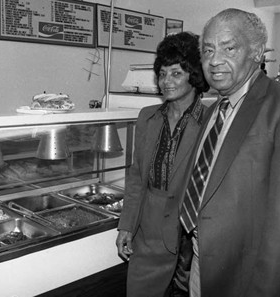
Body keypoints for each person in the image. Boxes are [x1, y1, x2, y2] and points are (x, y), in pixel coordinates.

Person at [167, 8, 280, 297]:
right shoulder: (215, 110)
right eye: (208, 50)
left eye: (229, 48)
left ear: (256, 52)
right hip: (205, 265)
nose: (214, 60)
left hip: (252, 279)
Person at [116, 31, 209, 297]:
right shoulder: (147, 117)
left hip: (188, 236)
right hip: (147, 232)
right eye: (163, 73)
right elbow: (136, 178)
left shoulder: (210, 121)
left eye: (176, 73)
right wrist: (126, 226)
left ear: (194, 76)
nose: (166, 81)